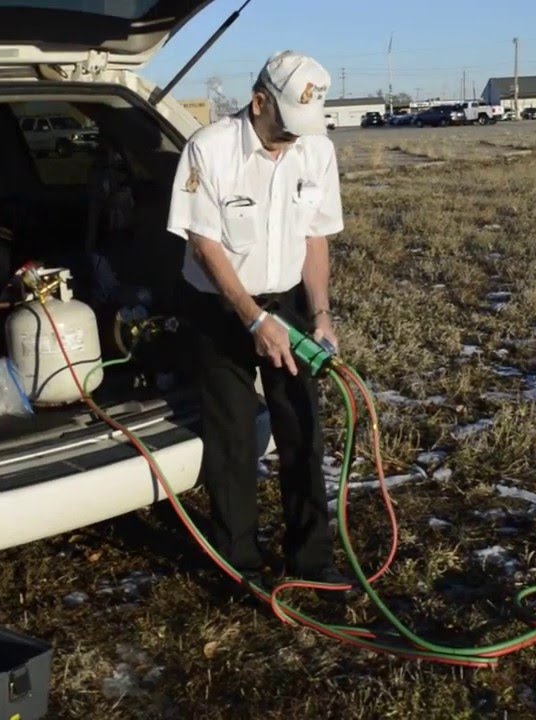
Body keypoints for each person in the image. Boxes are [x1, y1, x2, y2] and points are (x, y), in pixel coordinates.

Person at [166, 50, 357, 600]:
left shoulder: (314, 149)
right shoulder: (211, 149)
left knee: (302, 429)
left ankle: (311, 559)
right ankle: (238, 568)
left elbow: (316, 235)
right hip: (223, 306)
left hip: (289, 302)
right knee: (231, 441)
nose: (294, 139)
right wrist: (251, 319)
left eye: (304, 130)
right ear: (258, 102)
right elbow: (203, 245)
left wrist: (318, 313)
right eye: (286, 128)